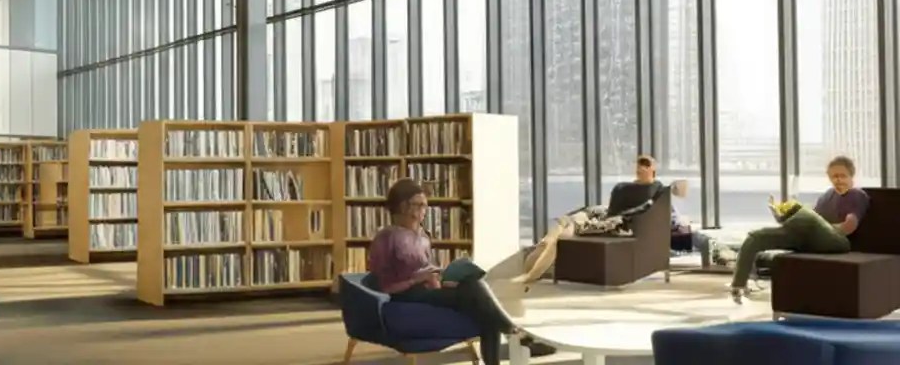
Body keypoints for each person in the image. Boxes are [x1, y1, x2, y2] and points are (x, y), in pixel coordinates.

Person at [367, 178, 519, 365]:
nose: (424, 210)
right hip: (406, 295)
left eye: (425, 205)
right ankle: (512, 329)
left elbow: (425, 268)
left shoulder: (422, 236)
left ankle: (507, 333)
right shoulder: (386, 238)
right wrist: (417, 280)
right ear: (403, 206)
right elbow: (383, 286)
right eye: (419, 205)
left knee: (480, 299)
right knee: (477, 296)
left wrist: (440, 277)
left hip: (429, 290)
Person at [516, 155, 687, 285]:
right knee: (561, 228)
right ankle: (535, 264)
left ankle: (532, 273)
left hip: (618, 221)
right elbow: (611, 207)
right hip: (601, 213)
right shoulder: (624, 187)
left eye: (646, 165)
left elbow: (671, 197)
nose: (641, 168)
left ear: (653, 169)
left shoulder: (657, 190)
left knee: (560, 235)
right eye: (639, 165)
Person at [729, 156, 869, 303]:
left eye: (842, 176)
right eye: (834, 176)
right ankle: (738, 285)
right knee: (755, 238)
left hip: (837, 241)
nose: (838, 180)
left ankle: (794, 215)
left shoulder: (856, 195)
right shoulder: (827, 195)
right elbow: (812, 222)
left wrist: (818, 223)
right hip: (808, 237)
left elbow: (848, 227)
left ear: (851, 175)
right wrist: (783, 216)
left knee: (805, 214)